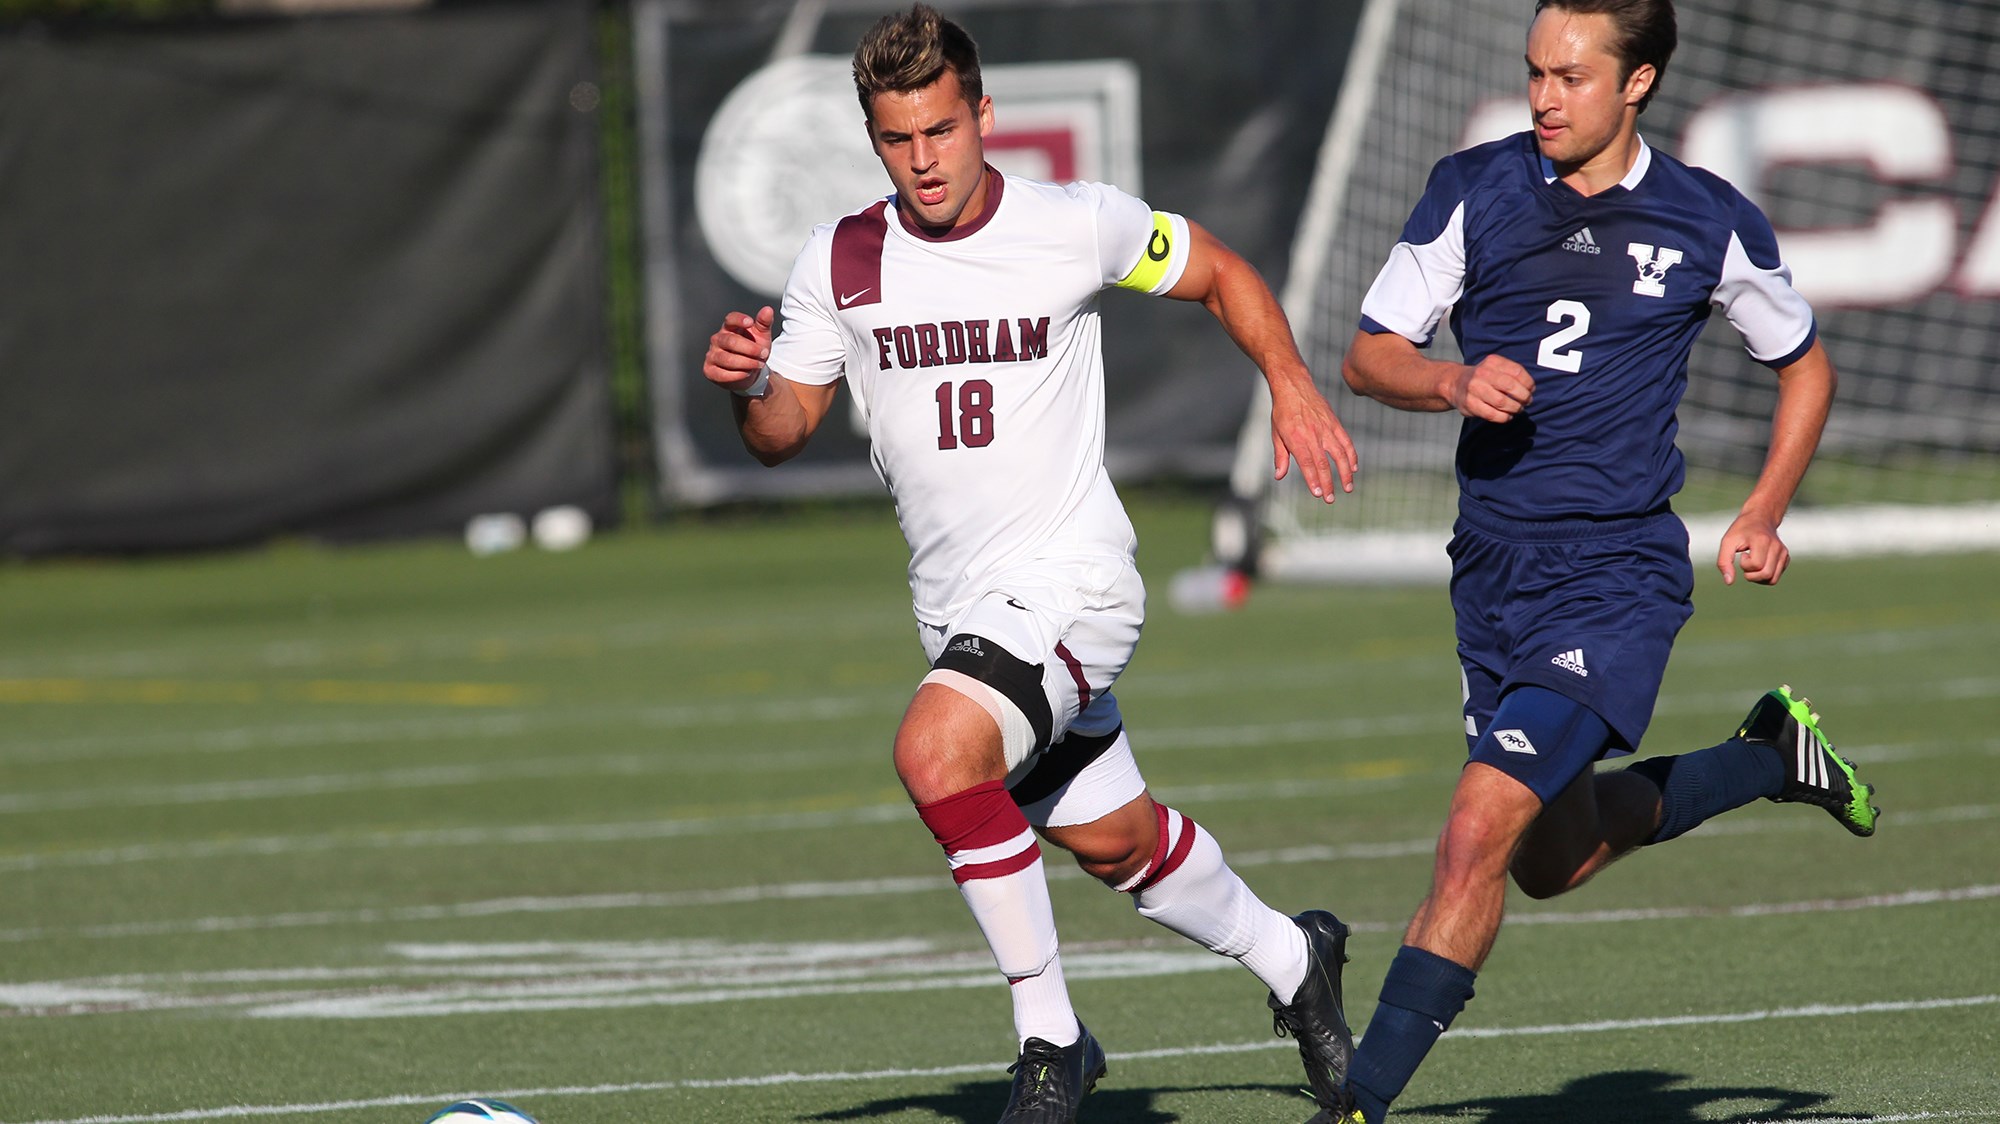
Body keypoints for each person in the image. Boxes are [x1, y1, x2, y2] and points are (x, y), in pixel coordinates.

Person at [700, 6, 1363, 1121]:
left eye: (942, 131)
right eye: (898, 139)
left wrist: (1289, 382)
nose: (923, 160)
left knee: (935, 747)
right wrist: (744, 389)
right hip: (962, 610)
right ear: (873, 139)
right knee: (1117, 843)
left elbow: (1221, 272)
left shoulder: (1072, 222)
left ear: (983, 116)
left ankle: (1052, 1041)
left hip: (1075, 579)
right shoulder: (841, 259)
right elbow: (783, 428)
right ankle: (1298, 960)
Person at [1325, 1, 1879, 1120]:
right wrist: (1445, 380)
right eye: (1532, 72)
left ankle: (1354, 1103)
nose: (1541, 98)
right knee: (1546, 859)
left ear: (1637, 83)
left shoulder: (1704, 217)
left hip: (1615, 575)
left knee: (1477, 827)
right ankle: (1768, 756)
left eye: (1569, 78)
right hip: (1490, 569)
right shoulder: (1471, 185)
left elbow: (1804, 366)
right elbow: (1368, 353)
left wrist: (1763, 510)